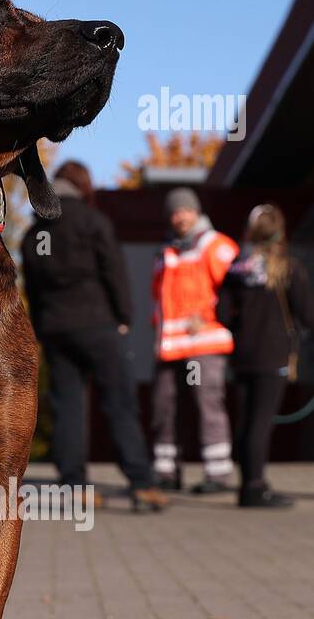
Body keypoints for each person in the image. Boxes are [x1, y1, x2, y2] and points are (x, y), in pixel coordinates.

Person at [21, 160, 166, 512]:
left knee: (67, 407)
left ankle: (75, 488)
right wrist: (123, 318)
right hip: (98, 324)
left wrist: (43, 329)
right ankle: (141, 484)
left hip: (56, 330)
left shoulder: (32, 235)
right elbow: (114, 271)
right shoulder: (92, 221)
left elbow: (33, 289)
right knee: (120, 402)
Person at [217, 204, 313, 508]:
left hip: (242, 354)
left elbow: (221, 311)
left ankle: (248, 482)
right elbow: (308, 314)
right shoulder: (288, 267)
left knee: (247, 420)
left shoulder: (237, 267)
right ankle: (255, 488)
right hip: (273, 355)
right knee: (261, 421)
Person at [150, 187, 239, 492]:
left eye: (185, 210)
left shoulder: (215, 245)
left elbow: (235, 289)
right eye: (174, 212)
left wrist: (210, 315)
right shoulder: (167, 250)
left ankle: (218, 474)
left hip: (204, 344)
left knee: (208, 406)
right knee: (163, 407)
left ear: (197, 212)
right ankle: (166, 472)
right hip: (170, 346)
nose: (180, 217)